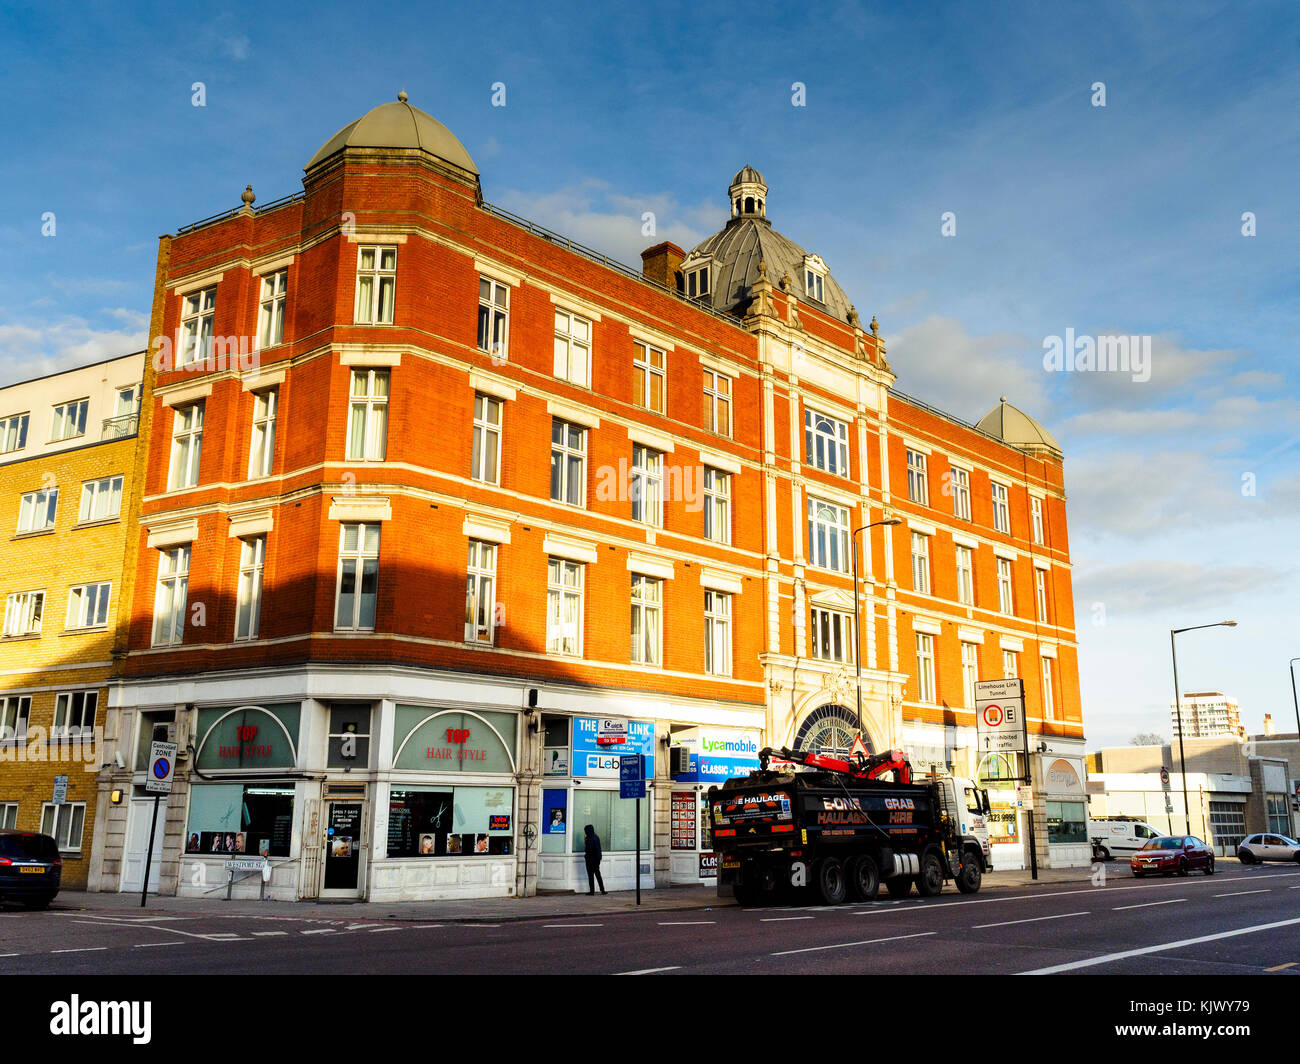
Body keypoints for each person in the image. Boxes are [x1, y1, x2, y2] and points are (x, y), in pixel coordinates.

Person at [583, 824, 606, 895]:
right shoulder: (596, 837)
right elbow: (598, 849)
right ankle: (602, 890)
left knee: (591, 875)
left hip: (591, 859)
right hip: (596, 859)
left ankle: (592, 891)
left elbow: (588, 849)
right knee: (598, 875)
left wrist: (586, 842)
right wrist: (599, 858)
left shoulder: (589, 838)